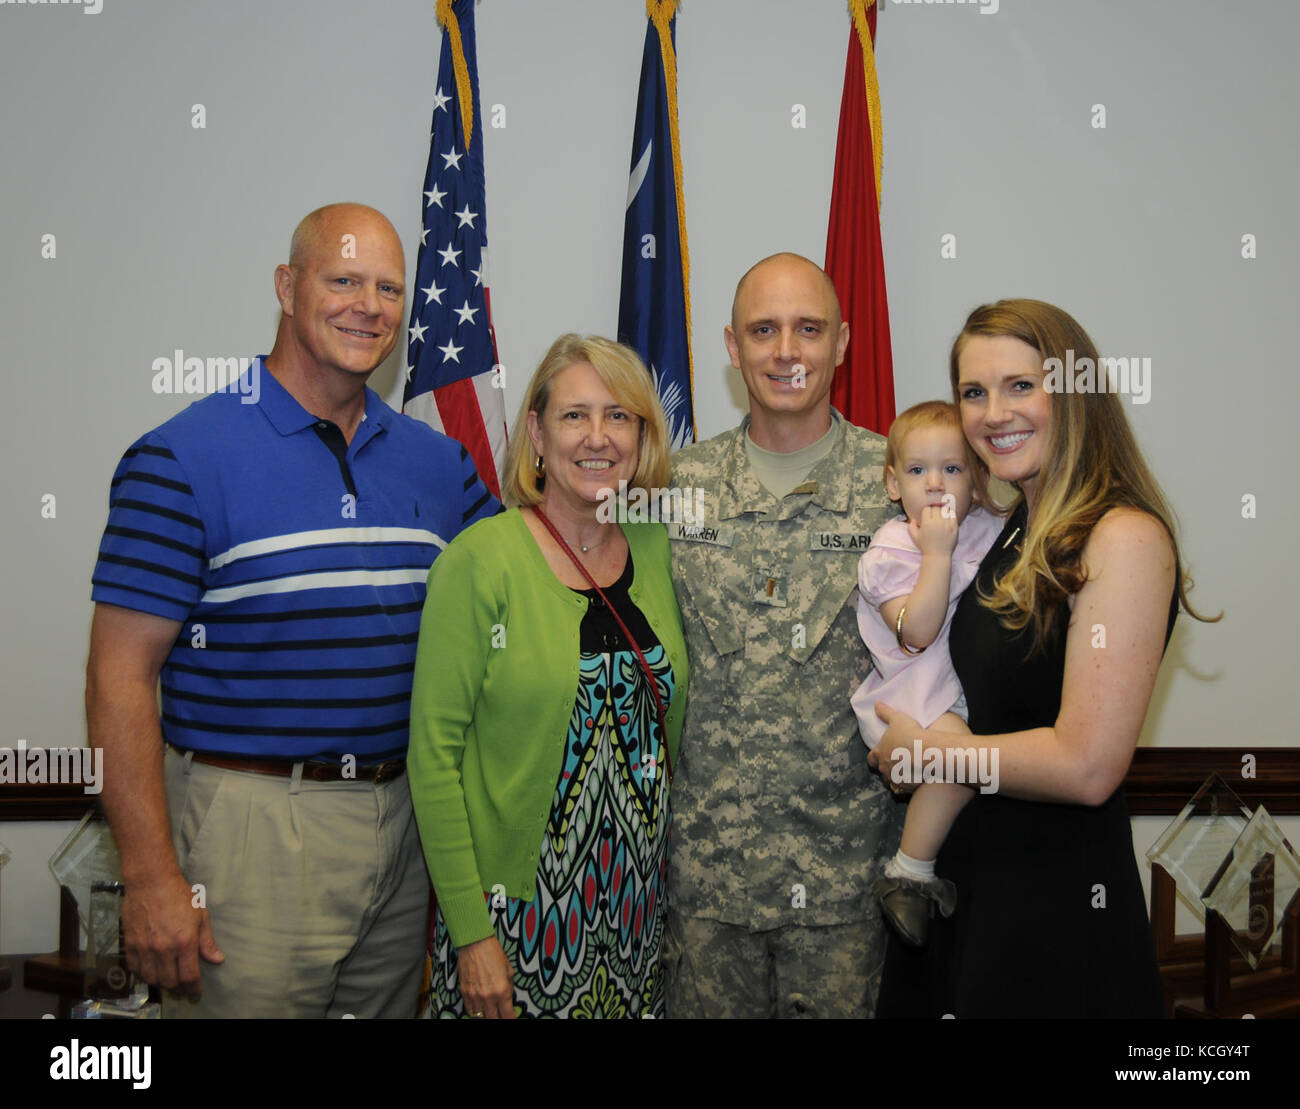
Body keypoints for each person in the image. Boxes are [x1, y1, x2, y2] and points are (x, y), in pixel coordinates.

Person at [85, 203, 500, 1018]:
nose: (368, 305)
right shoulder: (182, 456)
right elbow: (116, 679)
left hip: (403, 824)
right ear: (286, 286)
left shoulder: (437, 463)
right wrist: (150, 876)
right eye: (342, 279)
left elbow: (525, 579)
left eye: (387, 287)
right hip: (252, 830)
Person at [871, 299, 1216, 1018]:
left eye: (1021, 385)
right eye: (973, 392)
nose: (994, 412)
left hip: (1055, 908)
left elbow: (1087, 765)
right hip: (968, 885)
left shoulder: (1120, 536)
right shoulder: (1003, 531)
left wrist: (934, 755)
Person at [407, 334, 689, 1019]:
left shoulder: (659, 547)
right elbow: (433, 759)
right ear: (536, 431)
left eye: (619, 415)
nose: (599, 436)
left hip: (634, 914)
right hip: (517, 917)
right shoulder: (481, 561)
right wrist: (472, 934)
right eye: (574, 415)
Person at [664, 252, 902, 1019]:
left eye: (808, 329)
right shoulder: (676, 487)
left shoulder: (903, 483)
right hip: (709, 890)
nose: (786, 351)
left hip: (848, 894)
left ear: (843, 343)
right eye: (763, 330)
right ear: (732, 347)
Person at [850, 401, 1004, 948]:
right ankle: (909, 874)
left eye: (953, 469)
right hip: (913, 702)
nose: (935, 484)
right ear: (893, 483)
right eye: (917, 471)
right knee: (964, 764)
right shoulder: (891, 549)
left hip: (958, 697)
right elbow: (917, 631)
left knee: (971, 767)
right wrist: (937, 555)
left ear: (978, 480)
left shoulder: (988, 529)